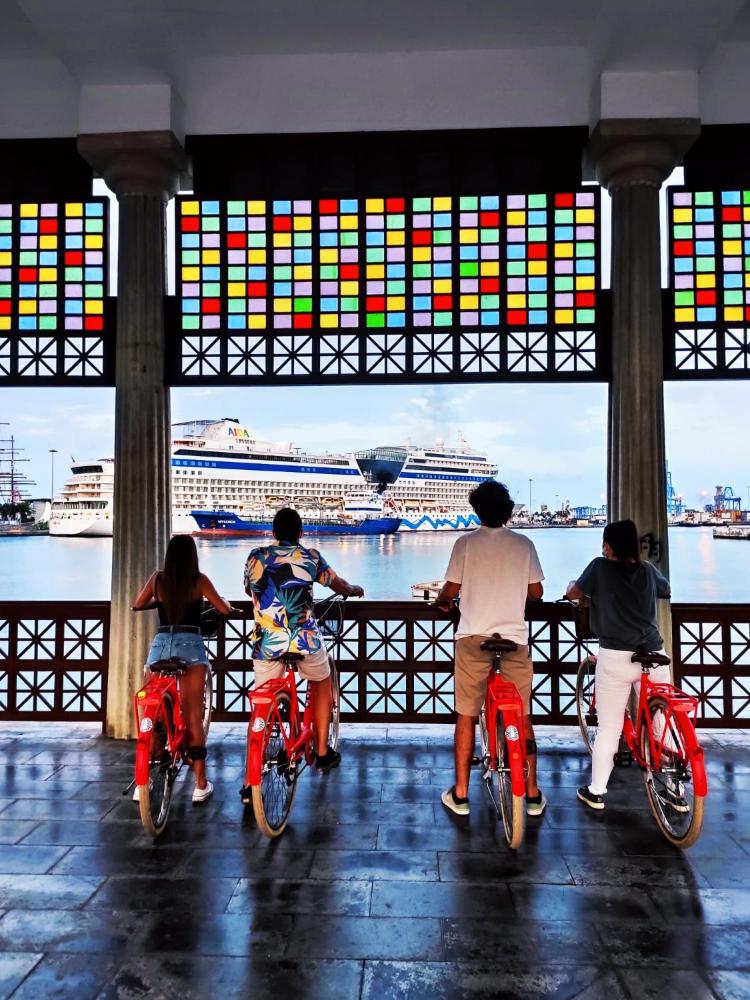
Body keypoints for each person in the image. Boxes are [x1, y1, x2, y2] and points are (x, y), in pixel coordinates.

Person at [435, 480, 545, 818]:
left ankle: (461, 794)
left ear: (477, 511)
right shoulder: (524, 544)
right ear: (508, 511)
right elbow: (537, 593)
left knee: (467, 714)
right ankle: (532, 793)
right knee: (522, 714)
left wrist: (442, 600)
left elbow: (451, 589)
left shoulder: (465, 543)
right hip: (514, 639)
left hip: (473, 637)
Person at [243, 507, 364, 772]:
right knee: (322, 681)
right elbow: (339, 585)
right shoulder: (311, 557)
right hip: (304, 640)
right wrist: (353, 589)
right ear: (301, 533)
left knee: (262, 701)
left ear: (273, 532)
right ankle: (322, 751)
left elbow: (249, 589)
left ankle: (257, 760)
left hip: (267, 643)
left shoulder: (255, 557)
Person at [566, 518, 671, 810]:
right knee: (663, 719)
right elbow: (665, 589)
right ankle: (676, 789)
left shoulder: (600, 567)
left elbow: (574, 593)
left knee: (609, 728)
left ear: (608, 546)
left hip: (615, 656)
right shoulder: (647, 569)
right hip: (654, 653)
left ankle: (597, 791)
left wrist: (572, 586)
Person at [133, 534, 232, 803]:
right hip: (190, 646)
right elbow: (223, 609)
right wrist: (225, 604)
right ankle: (200, 784)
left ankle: (143, 780)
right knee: (192, 716)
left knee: (152, 712)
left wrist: (158, 601)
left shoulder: (157, 579)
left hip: (160, 647)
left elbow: (138, 604)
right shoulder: (199, 580)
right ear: (192, 557)